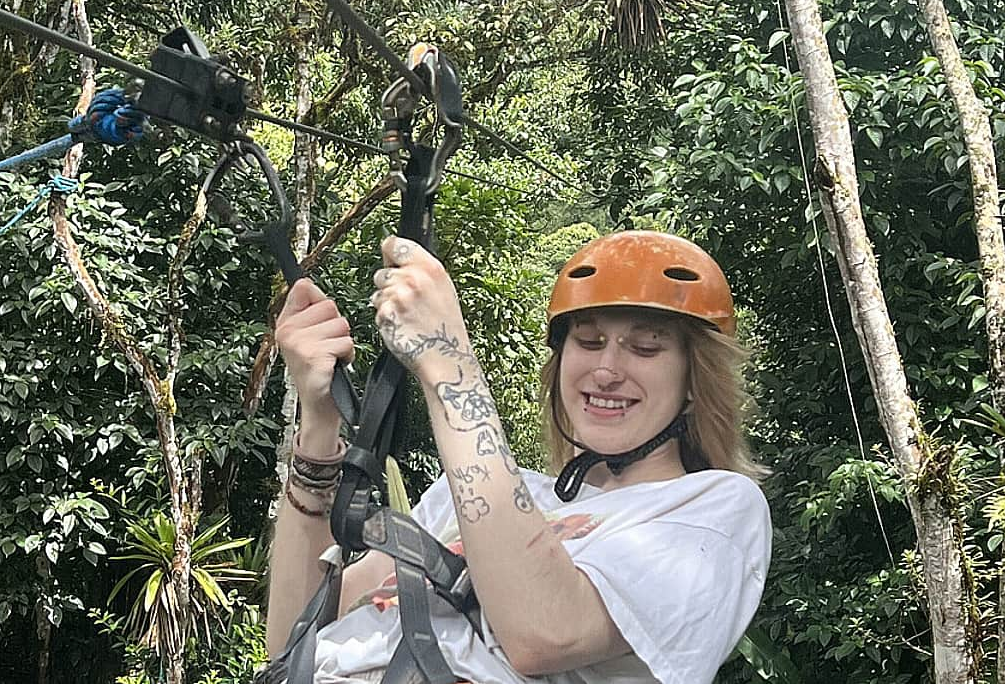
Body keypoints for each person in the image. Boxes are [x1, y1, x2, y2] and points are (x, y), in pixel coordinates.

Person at [265, 230, 772, 684]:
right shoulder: (472, 497)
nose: (607, 369)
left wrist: (448, 362)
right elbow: (294, 638)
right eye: (589, 342)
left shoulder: (713, 508)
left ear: (693, 382)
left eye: (645, 348)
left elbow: (544, 633)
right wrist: (319, 419)